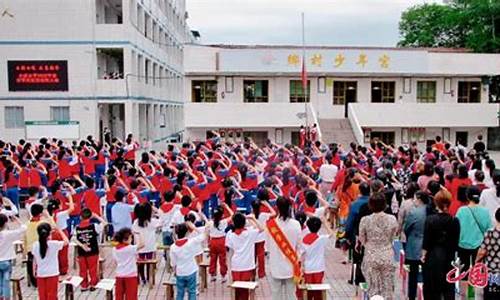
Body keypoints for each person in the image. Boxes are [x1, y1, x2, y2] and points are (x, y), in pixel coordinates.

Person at [421, 189, 460, 300]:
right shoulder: (455, 220)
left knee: (431, 289)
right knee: (448, 288)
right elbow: (455, 242)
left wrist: (423, 255)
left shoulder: (430, 220)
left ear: (436, 202)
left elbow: (426, 242)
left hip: (433, 257)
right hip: (449, 257)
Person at [358, 192, 398, 299]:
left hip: (371, 255)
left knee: (373, 289)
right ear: (385, 204)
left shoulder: (365, 220)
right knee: (388, 289)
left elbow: (362, 239)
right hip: (387, 255)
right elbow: (393, 236)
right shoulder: (392, 219)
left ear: (370, 205)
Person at [267, 197, 302, 300]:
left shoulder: (270, 225)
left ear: (276, 208)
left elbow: (267, 247)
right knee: (291, 295)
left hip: (275, 265)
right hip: (291, 265)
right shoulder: (296, 225)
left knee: (275, 295)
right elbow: (299, 246)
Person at [226, 212, 264, 300]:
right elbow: (261, 228)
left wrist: (229, 266)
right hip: (247, 265)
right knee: (244, 289)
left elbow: (230, 251)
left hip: (235, 265)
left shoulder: (230, 234)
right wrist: (253, 218)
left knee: (237, 289)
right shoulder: (250, 233)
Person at [455, 186, 492, 276]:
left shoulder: (461, 211)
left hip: (463, 245)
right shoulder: (485, 212)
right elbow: (489, 230)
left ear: (467, 197)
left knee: (463, 274)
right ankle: (477, 290)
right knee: (479, 273)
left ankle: (464, 290)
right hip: (480, 246)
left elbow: (456, 227)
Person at [170, 222, 207, 300]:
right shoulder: (191, 242)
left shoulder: (173, 247)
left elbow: (173, 263)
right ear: (187, 232)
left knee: (180, 293)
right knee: (192, 292)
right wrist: (194, 228)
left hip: (180, 272)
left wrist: (175, 272)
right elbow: (204, 235)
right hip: (191, 270)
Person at [299, 216, 334, 300]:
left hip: (308, 269)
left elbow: (302, 255)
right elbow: (332, 234)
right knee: (318, 290)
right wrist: (325, 223)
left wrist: (301, 267)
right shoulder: (321, 239)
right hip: (319, 268)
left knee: (308, 290)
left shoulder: (304, 240)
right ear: (319, 227)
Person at [32, 221, 69, 300]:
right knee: (52, 295)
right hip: (52, 273)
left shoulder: (35, 245)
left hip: (40, 273)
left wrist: (34, 271)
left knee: (42, 295)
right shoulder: (53, 244)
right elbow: (66, 241)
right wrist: (59, 230)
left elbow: (34, 260)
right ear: (49, 233)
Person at [403, 191, 429, 300]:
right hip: (428, 246)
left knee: (413, 274)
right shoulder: (431, 210)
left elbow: (406, 228)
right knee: (426, 273)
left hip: (414, 245)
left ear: (419, 199)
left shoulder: (414, 212)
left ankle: (411, 296)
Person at [75, 208, 105, 291]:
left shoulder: (77, 227)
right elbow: (104, 223)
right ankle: (93, 284)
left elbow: (74, 239)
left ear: (80, 217)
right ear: (90, 216)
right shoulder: (94, 226)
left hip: (81, 251)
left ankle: (84, 285)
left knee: (82, 270)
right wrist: (97, 216)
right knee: (93, 268)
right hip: (93, 251)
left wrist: (82, 245)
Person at [132, 202, 161, 285]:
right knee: (150, 263)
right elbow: (162, 219)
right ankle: (149, 278)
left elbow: (134, 232)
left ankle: (142, 278)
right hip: (150, 247)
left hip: (140, 247)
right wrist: (156, 210)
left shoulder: (136, 222)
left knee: (140, 264)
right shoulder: (152, 222)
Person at [112, 227, 144, 300]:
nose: (131, 239)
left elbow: (115, 262)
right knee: (131, 296)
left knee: (119, 295)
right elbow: (142, 244)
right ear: (125, 239)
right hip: (131, 275)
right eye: (130, 238)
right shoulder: (130, 248)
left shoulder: (114, 249)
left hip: (119, 274)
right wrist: (139, 234)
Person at [476, 207, 500, 299]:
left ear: (496, 217)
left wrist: (477, 262)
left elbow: (482, 252)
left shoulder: (490, 233)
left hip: (491, 272)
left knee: (490, 295)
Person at [0, 214, 26, 299]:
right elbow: (24, 228)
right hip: (7, 260)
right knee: (6, 282)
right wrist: (17, 219)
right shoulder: (8, 234)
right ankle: (7, 298)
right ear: (5, 223)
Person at [208, 204, 232, 282]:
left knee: (213, 258)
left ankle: (212, 275)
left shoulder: (210, 223)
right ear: (222, 215)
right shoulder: (224, 222)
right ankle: (223, 275)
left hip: (213, 241)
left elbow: (208, 233)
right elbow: (232, 215)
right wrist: (227, 207)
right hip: (221, 241)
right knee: (222, 259)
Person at [251, 200, 276, 279]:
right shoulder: (264, 215)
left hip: (252, 239)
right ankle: (261, 273)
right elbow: (274, 213)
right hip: (261, 239)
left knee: (253, 257)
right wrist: (267, 204)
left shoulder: (250, 216)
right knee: (261, 256)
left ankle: (252, 273)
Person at [24, 203, 44, 287]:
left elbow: (24, 239)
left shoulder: (26, 224)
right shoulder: (43, 223)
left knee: (31, 266)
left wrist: (24, 251)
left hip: (30, 249)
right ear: (40, 213)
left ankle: (34, 282)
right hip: (41, 248)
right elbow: (54, 226)